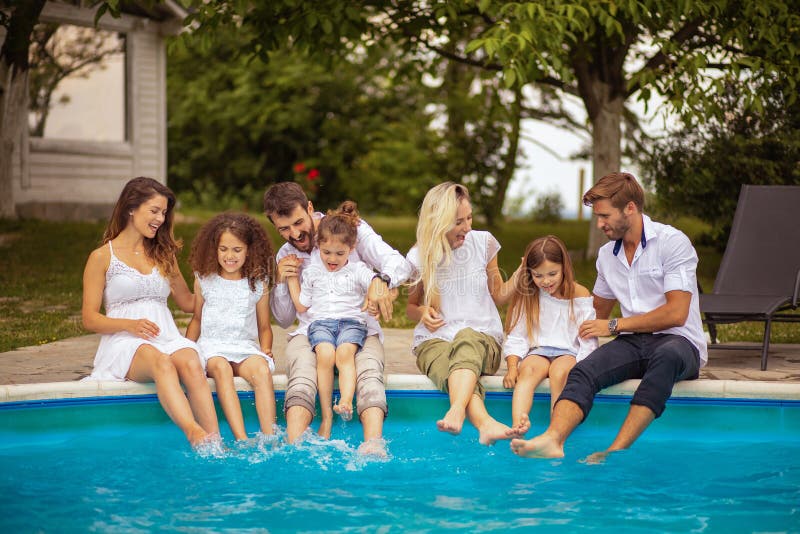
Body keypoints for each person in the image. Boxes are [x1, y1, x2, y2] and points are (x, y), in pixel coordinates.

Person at [511, 172, 707, 461]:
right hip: (633, 343)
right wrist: (549, 343)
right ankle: (553, 439)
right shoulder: (607, 255)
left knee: (665, 359)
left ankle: (614, 450)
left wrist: (614, 325)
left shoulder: (672, 243)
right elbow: (596, 313)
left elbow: (676, 313)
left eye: (604, 216)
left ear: (630, 208)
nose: (600, 224)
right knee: (583, 370)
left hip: (680, 343)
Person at [263, 182, 413, 454]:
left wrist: (382, 281)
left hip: (358, 326)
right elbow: (285, 319)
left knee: (368, 369)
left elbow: (399, 263)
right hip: (311, 330)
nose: (295, 234)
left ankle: (373, 444)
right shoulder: (285, 255)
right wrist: (282, 281)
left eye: (298, 222)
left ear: (310, 208)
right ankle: (295, 446)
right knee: (302, 372)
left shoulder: (350, 229)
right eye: (284, 229)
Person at [82, 177, 220, 447]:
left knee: (192, 363)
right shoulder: (102, 257)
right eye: (154, 211)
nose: (160, 219)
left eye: (164, 213)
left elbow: (188, 302)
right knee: (161, 363)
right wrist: (130, 325)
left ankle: (216, 442)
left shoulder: (163, 255)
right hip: (125, 342)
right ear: (131, 208)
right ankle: (193, 432)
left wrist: (214, 279)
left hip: (165, 336)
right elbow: (89, 319)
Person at [406, 182, 528, 445]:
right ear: (437, 222)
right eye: (458, 221)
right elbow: (411, 308)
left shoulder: (483, 243)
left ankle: (457, 410)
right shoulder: (420, 255)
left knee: (466, 337)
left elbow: (499, 296)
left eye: (469, 217)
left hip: (482, 337)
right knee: (451, 367)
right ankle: (485, 424)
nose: (467, 227)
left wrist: (518, 276)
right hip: (434, 340)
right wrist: (423, 312)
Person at [286, 202, 376, 438]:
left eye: (339, 253)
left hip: (351, 323)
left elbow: (376, 283)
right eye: (326, 253)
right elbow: (302, 305)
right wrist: (292, 279)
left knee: (345, 353)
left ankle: (346, 402)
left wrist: (374, 298)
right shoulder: (313, 272)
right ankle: (326, 416)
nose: (332, 259)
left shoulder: (358, 270)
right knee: (325, 355)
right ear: (318, 247)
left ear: (351, 248)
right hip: (321, 324)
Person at [186, 213, 277, 441]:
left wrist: (265, 348)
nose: (229, 256)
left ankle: (270, 437)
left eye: (237, 250)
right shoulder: (204, 279)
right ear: (215, 249)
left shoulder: (257, 284)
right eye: (223, 249)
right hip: (212, 349)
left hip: (243, 348)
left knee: (262, 370)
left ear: (249, 250)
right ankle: (241, 438)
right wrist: (187, 350)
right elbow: (196, 320)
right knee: (222, 369)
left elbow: (264, 327)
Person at [502, 235, 598, 431]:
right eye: (538, 276)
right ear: (529, 273)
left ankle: (556, 430)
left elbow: (588, 338)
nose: (545, 281)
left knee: (560, 373)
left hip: (568, 352)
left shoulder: (579, 294)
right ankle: (518, 425)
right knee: (527, 371)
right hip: (538, 350)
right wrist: (513, 366)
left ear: (564, 267)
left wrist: (582, 365)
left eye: (552, 274)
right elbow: (517, 336)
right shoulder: (529, 295)